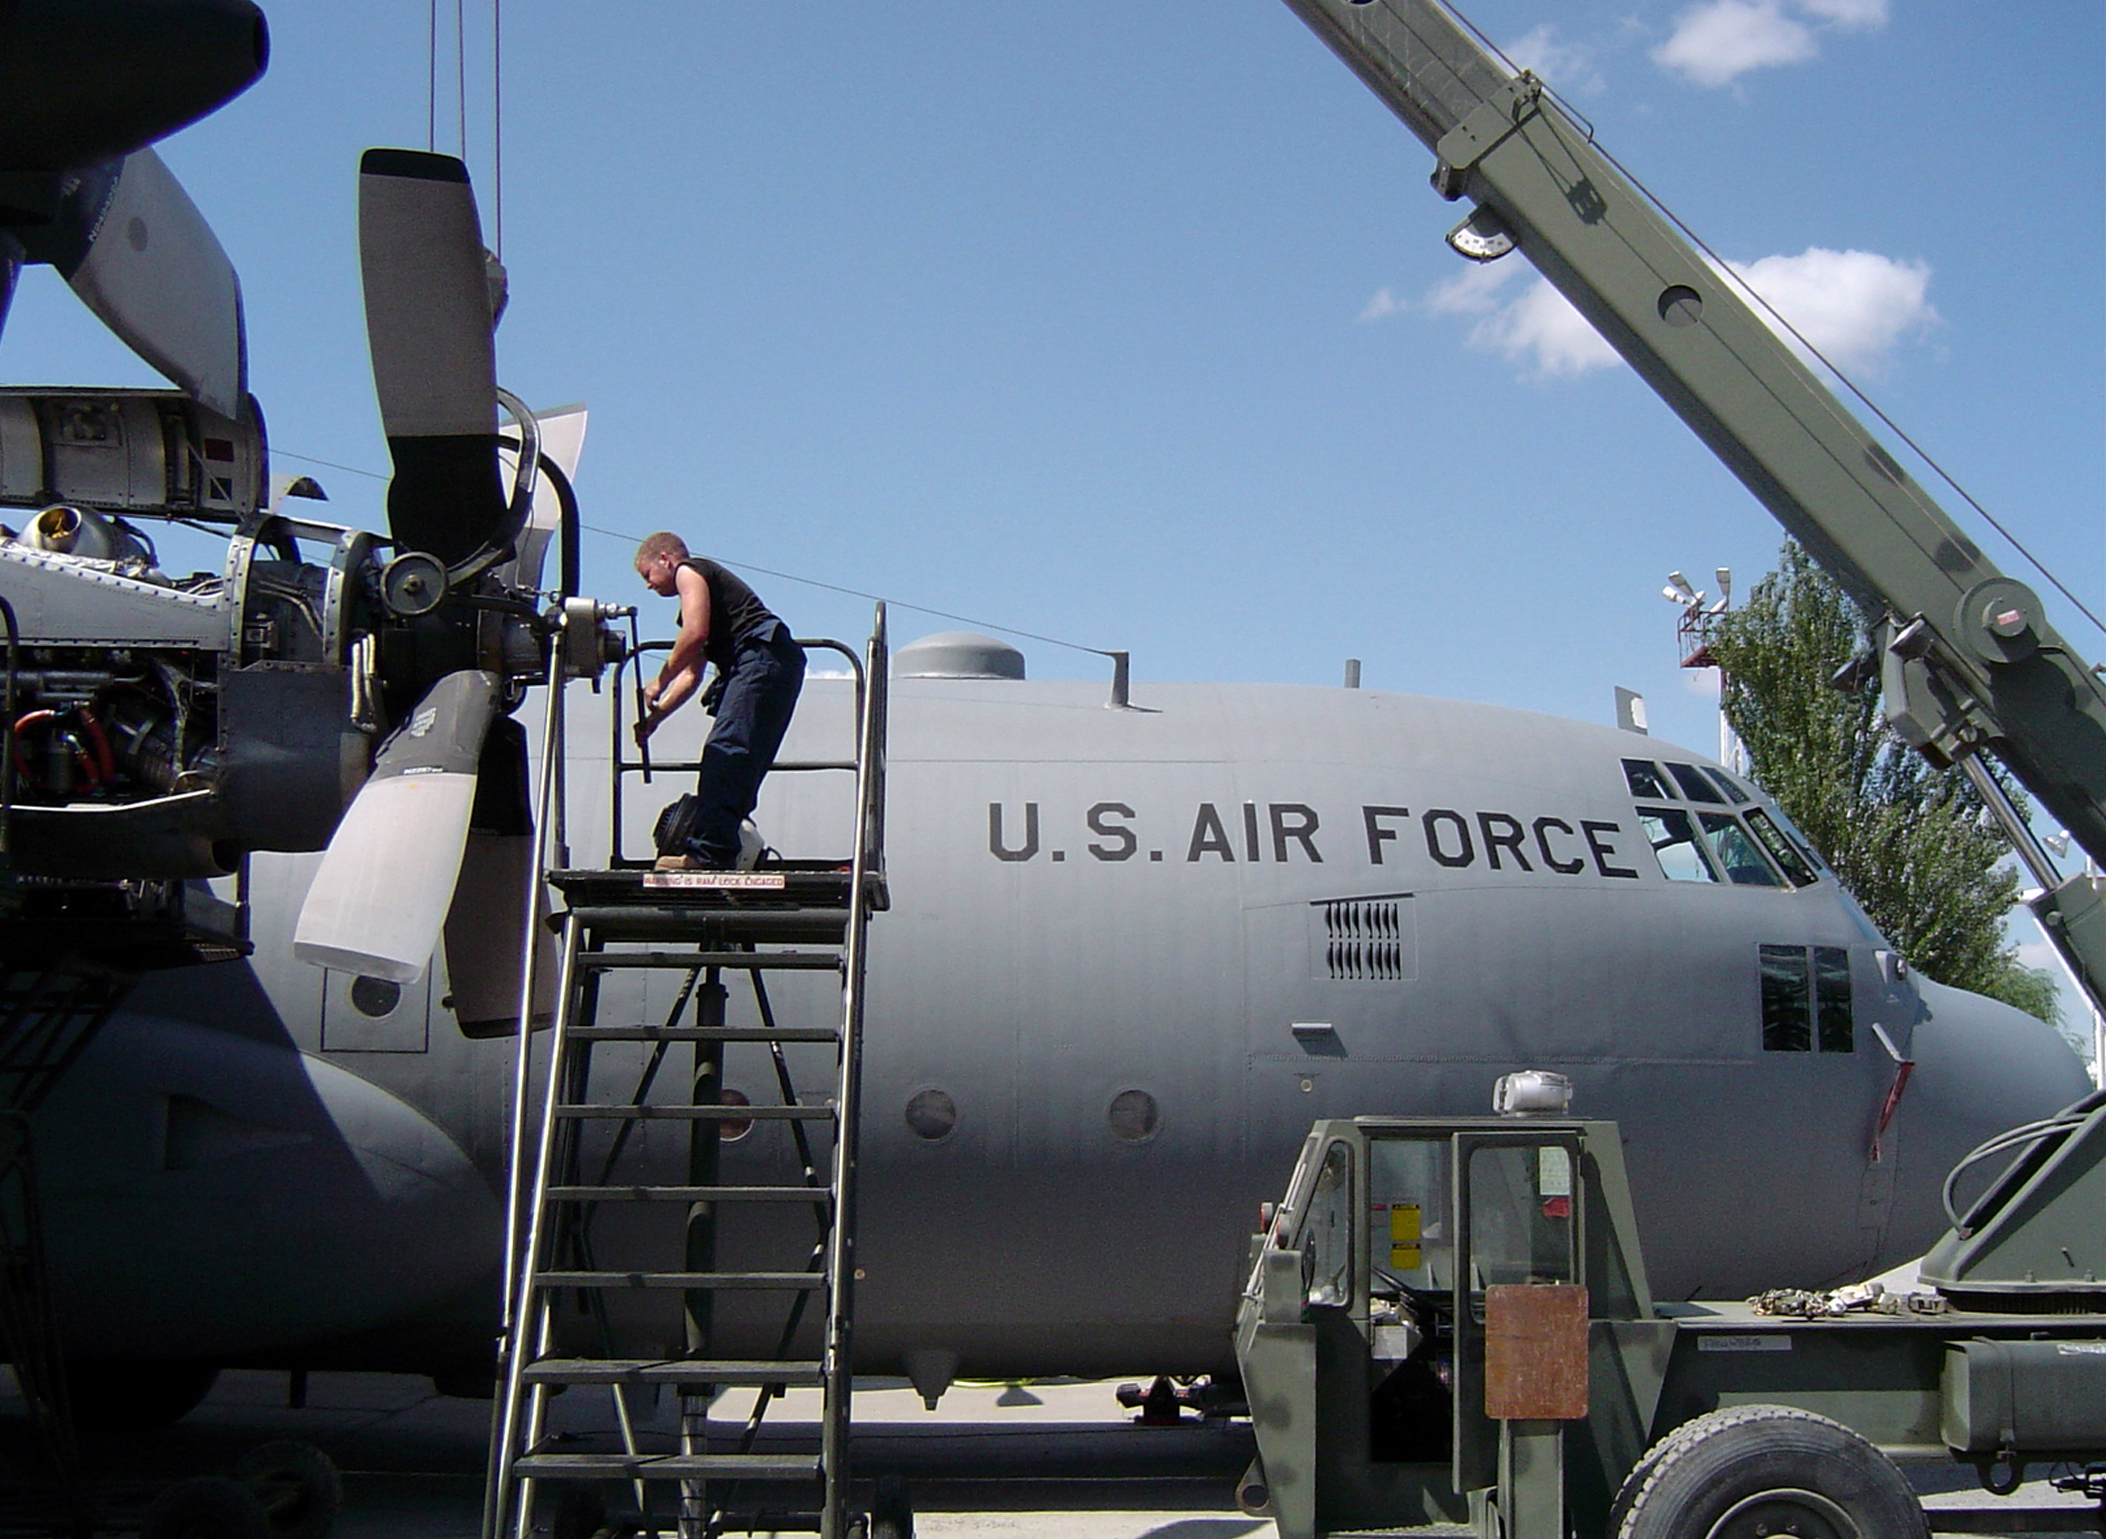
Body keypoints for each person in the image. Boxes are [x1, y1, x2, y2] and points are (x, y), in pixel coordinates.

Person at [633, 532, 806, 871]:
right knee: (738, 759)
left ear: (666, 560)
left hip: (760, 656)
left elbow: (695, 634)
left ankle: (709, 854)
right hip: (773, 661)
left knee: (725, 750)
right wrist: (654, 720)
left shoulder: (689, 570)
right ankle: (725, 843)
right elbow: (691, 676)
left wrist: (657, 681)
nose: (648, 586)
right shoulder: (693, 609)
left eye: (647, 575)